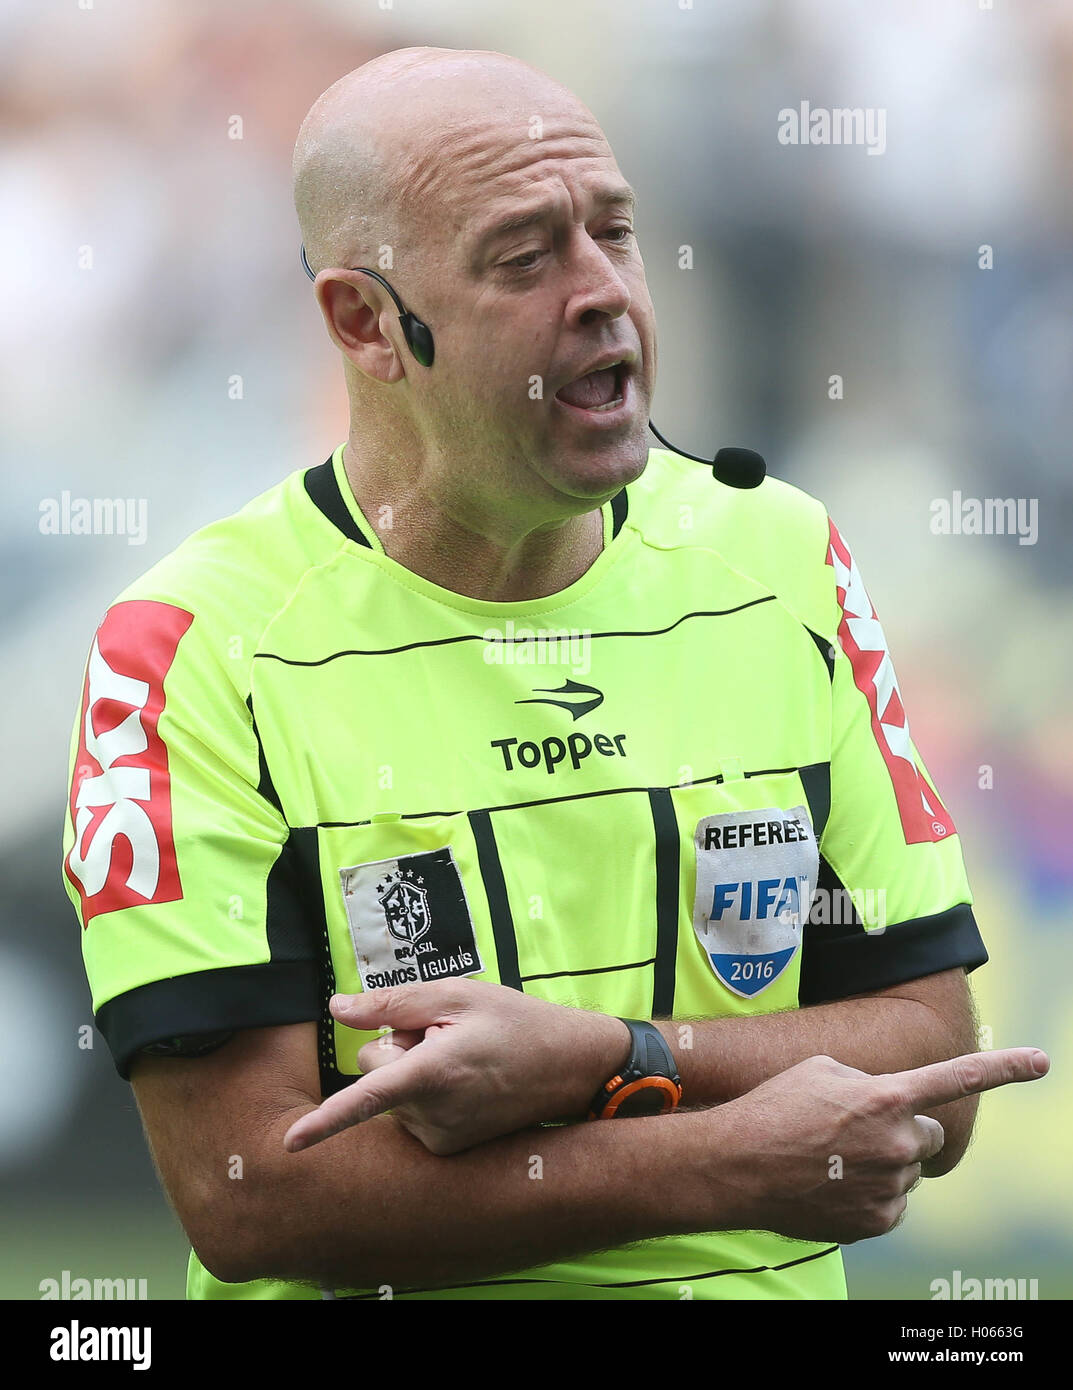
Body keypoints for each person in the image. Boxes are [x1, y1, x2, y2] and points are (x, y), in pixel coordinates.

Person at [61, 47, 1048, 1302]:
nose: (604, 293)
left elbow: (932, 1065)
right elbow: (247, 1192)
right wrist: (714, 1161)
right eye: (523, 257)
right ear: (366, 324)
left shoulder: (782, 559)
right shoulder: (187, 647)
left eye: (615, 233)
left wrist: (609, 1055)